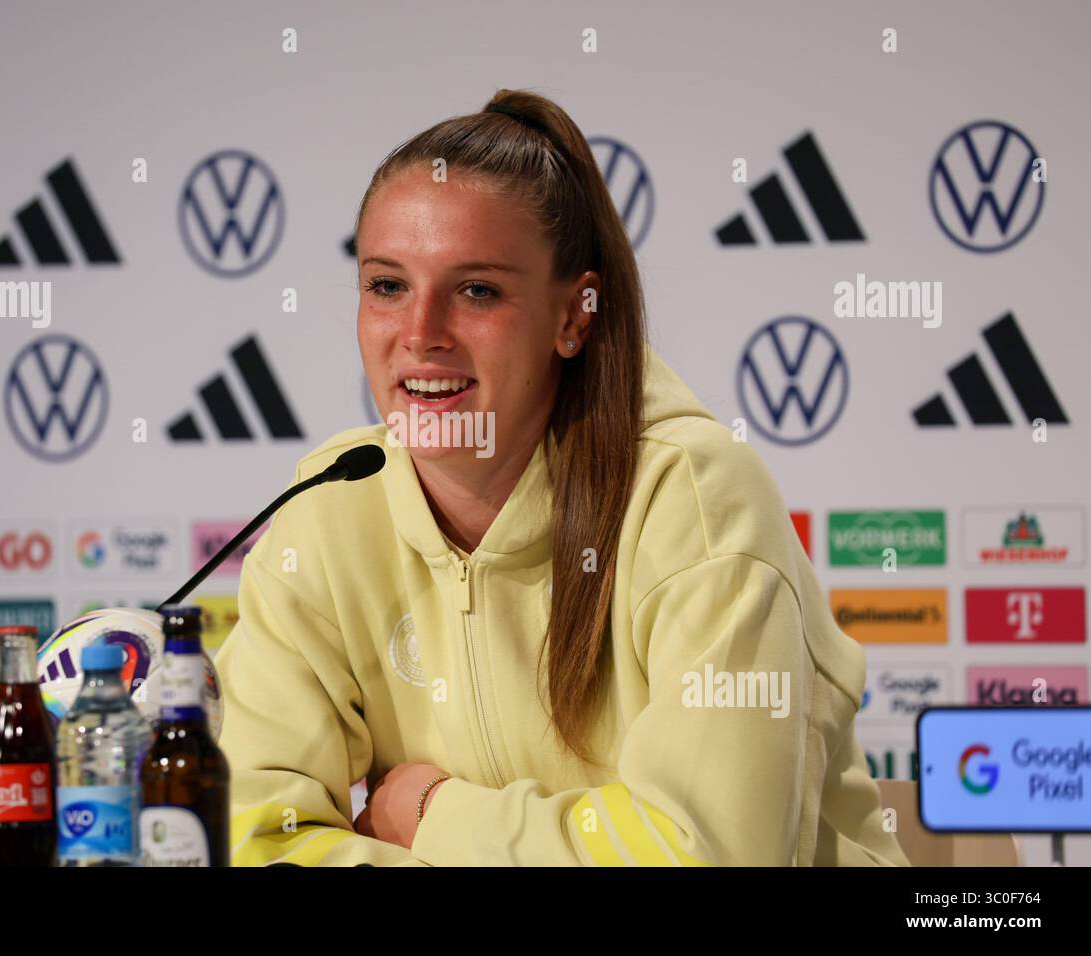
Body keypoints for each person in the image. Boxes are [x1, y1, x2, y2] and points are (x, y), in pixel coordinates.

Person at [213, 88, 909, 867]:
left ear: (573, 317)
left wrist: (435, 815)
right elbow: (251, 835)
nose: (419, 334)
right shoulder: (330, 507)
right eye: (387, 285)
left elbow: (710, 856)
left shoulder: (697, 500)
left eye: (477, 291)